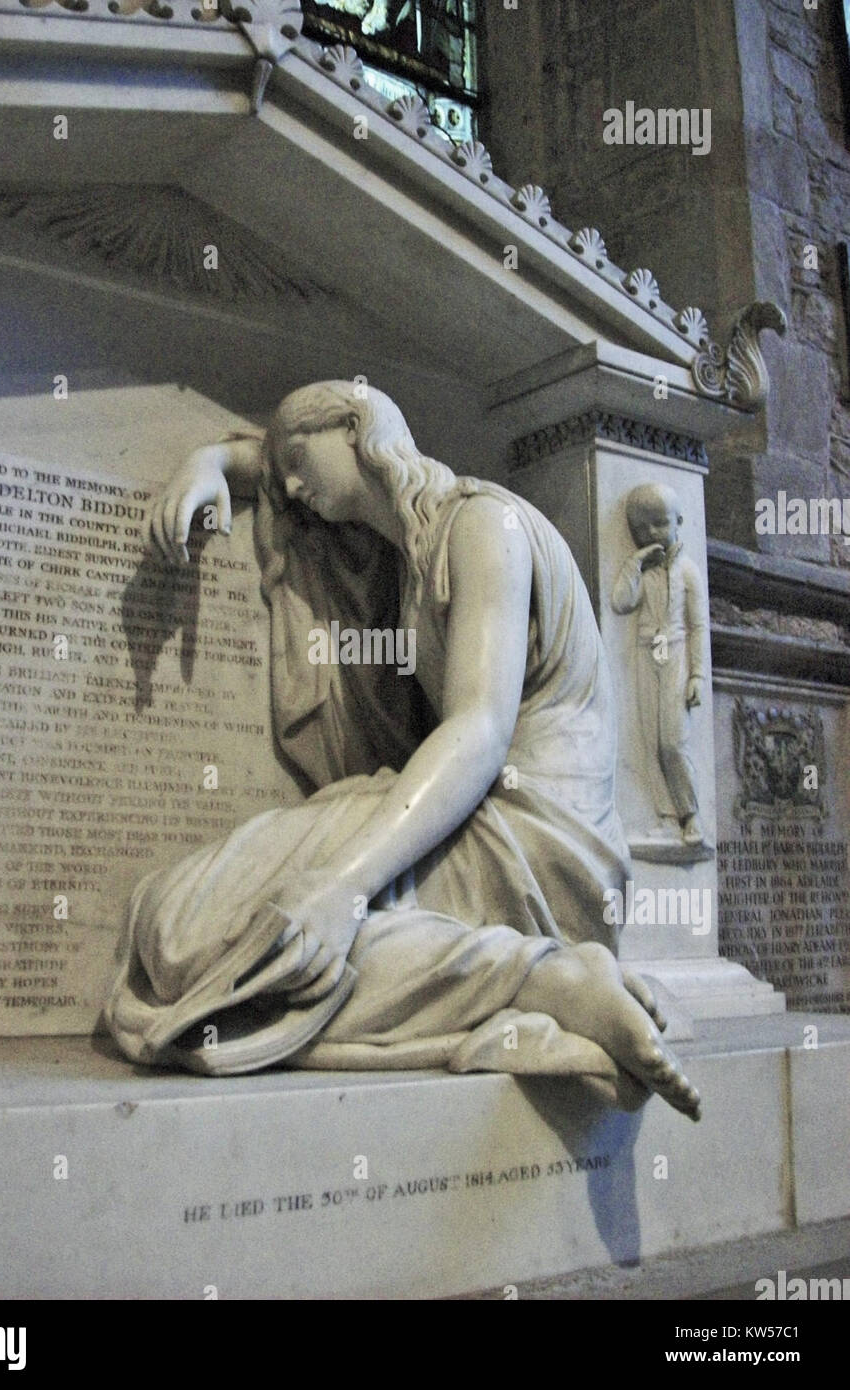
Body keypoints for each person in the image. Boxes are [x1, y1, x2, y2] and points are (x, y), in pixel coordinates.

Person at [106, 382, 700, 1120]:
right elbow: (268, 466)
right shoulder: (409, 557)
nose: (289, 485)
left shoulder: (487, 527)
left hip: (536, 837)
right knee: (174, 918)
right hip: (468, 809)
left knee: (247, 944)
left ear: (357, 428)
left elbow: (479, 733)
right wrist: (208, 465)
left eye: (301, 457)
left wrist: (343, 885)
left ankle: (540, 979)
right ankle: (549, 983)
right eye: (281, 471)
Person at [611, 483, 707, 846]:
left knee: (673, 741)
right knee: (650, 740)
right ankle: (667, 817)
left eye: (660, 523)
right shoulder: (643, 569)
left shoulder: (688, 572)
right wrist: (634, 564)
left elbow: (698, 626)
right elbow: (621, 603)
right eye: (642, 528)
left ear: (678, 521)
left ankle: (692, 813)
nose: (652, 533)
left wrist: (697, 674)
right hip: (645, 651)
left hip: (677, 652)